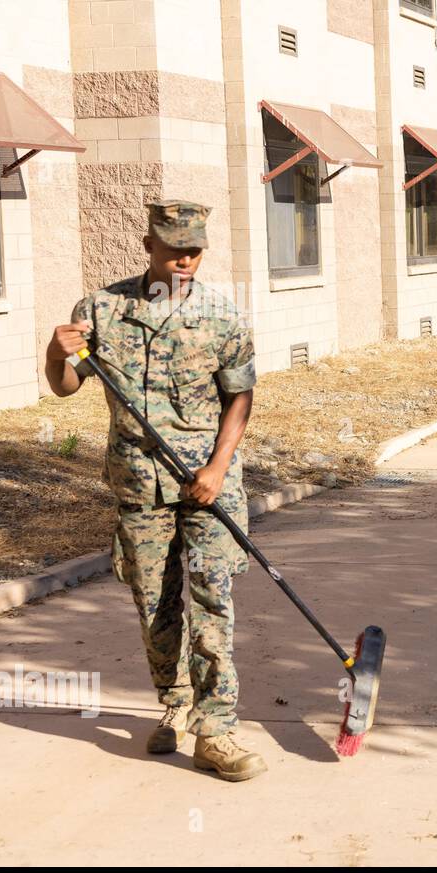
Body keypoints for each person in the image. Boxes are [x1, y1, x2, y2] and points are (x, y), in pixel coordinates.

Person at [44, 200, 268, 780]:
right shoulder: (102, 309)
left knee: (212, 603)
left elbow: (238, 399)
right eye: (175, 250)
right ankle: (175, 704)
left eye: (195, 251)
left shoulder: (224, 318)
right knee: (156, 608)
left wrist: (219, 468)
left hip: (207, 490)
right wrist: (56, 354)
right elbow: (66, 387)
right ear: (149, 246)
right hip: (140, 488)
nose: (186, 261)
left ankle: (216, 731)